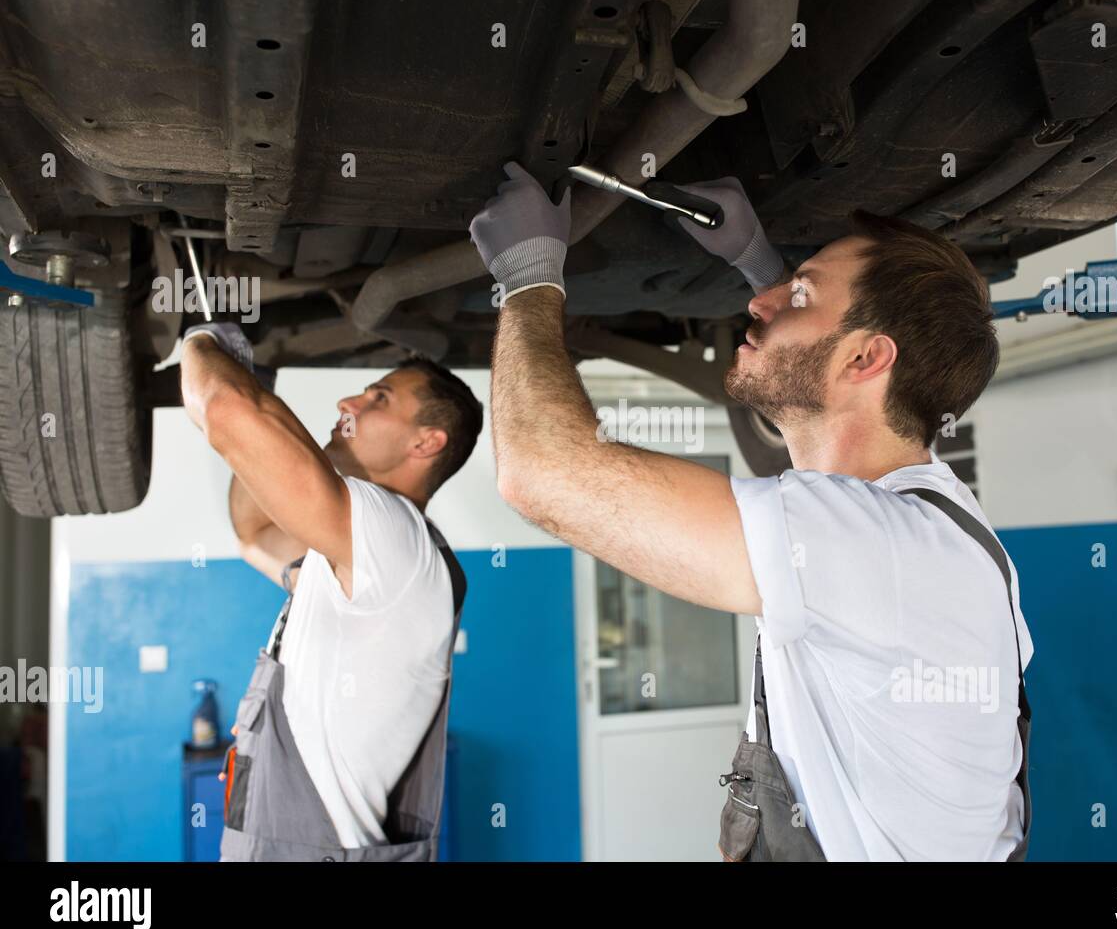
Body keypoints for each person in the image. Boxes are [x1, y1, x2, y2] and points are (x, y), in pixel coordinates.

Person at [471, 161, 1033, 861]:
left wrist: (528, 277)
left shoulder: (878, 545)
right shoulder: (920, 522)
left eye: (797, 295)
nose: (758, 304)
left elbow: (543, 473)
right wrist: (758, 263)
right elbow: (820, 402)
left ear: (865, 358)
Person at [179, 325, 481, 860]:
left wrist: (200, 342)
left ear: (426, 442)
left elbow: (226, 410)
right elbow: (257, 534)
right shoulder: (360, 558)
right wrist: (254, 382)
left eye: (379, 398)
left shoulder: (395, 539)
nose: (350, 401)